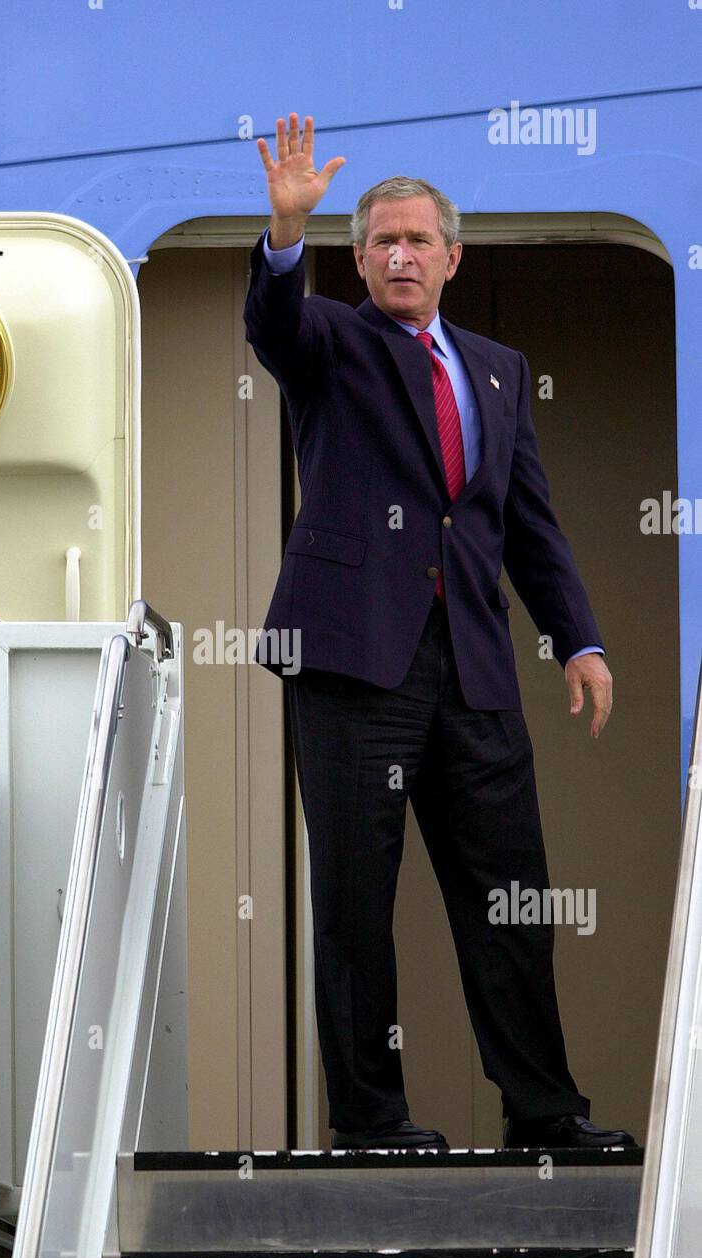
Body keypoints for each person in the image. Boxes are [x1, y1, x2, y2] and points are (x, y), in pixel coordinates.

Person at [245, 112, 636, 1151]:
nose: (402, 254)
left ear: (453, 257)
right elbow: (273, 325)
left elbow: (530, 526)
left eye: (420, 240)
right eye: (382, 241)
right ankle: (373, 1119)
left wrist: (581, 640)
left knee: (511, 897)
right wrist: (286, 235)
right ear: (360, 256)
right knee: (355, 903)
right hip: (348, 663)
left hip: (473, 665)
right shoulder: (329, 338)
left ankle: (545, 1111)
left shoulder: (499, 369)